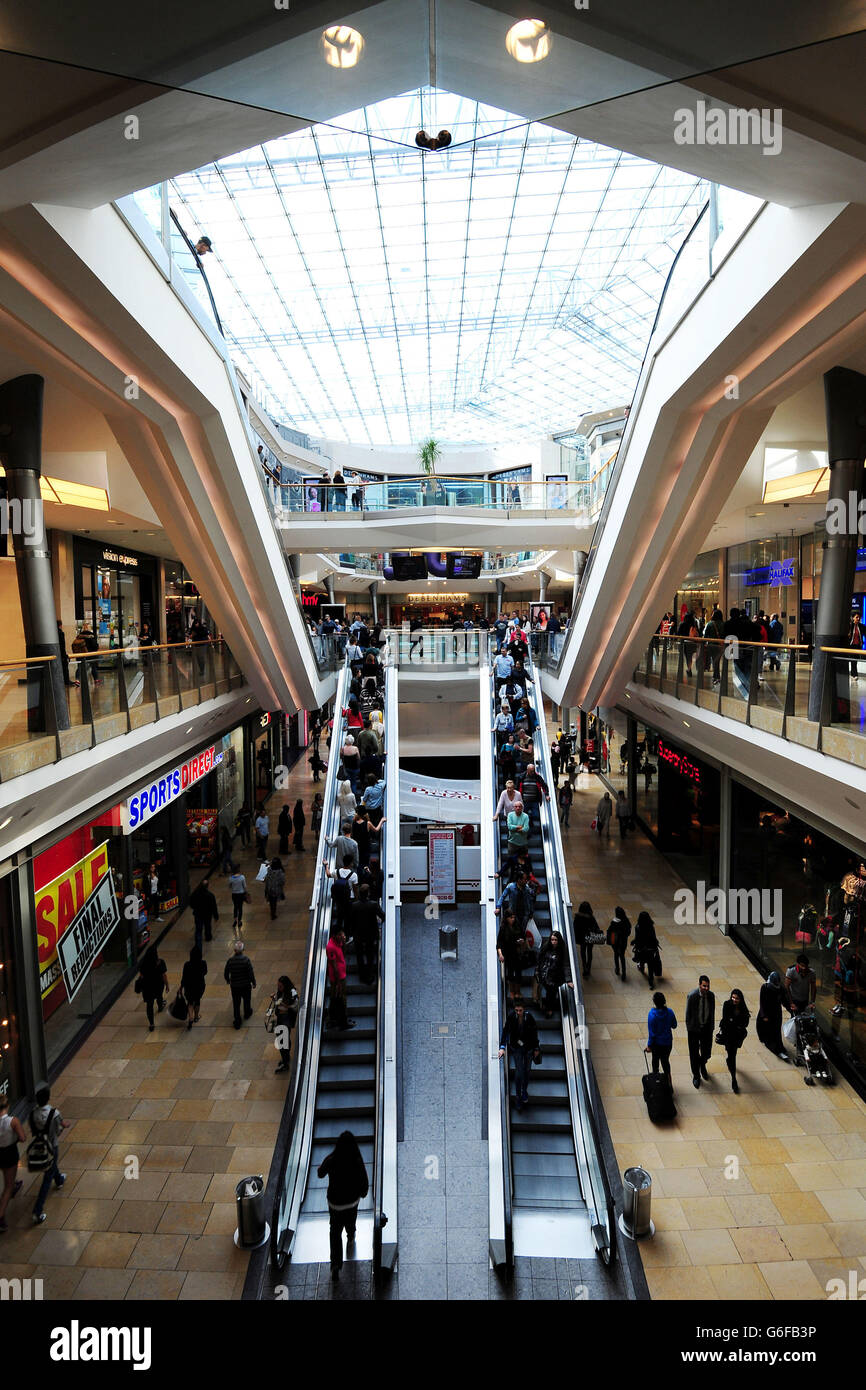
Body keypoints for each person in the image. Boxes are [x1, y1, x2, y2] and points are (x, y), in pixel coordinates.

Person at [317, 1130, 369, 1280]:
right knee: (351, 1220)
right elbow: (364, 1181)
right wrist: (363, 1193)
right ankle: (351, 1236)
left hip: (335, 1203)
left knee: (334, 1231)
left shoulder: (332, 1159)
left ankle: (335, 1265)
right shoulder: (357, 1160)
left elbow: (320, 1173)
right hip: (352, 1202)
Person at [28, 1085, 72, 1226]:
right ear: (47, 1099)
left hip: (39, 1145)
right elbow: (62, 1124)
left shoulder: (32, 1113)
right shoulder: (54, 1113)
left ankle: (59, 1179)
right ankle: (37, 1211)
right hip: (52, 1145)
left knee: (52, 1166)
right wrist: (66, 1125)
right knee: (47, 1177)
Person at [498, 1000, 540, 1113]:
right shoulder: (512, 1017)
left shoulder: (529, 1017)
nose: (518, 1012)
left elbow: (534, 1032)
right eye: (516, 1010)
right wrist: (502, 1047)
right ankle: (518, 1096)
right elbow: (506, 1031)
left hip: (528, 1048)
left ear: (524, 1009)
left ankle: (524, 1091)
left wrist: (536, 1048)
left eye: (520, 1010)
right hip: (517, 1047)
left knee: (526, 1071)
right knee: (519, 1072)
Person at [348, 884, 385, 985]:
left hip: (358, 934)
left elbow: (351, 920)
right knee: (369, 955)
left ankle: (362, 976)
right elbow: (383, 916)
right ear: (368, 893)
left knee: (359, 956)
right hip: (370, 934)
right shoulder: (373, 904)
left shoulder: (354, 905)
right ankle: (369, 976)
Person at [0, 1093, 25, 1233]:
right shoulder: (13, 1121)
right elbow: (22, 1138)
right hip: (9, 1153)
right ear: (7, 1105)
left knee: (7, 1175)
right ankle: (1, 1216)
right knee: (7, 1187)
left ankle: (14, 1184)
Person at [685, 974, 715, 1088]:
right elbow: (688, 1015)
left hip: (706, 1029)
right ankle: (696, 1075)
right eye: (704, 986)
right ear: (699, 985)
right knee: (693, 1054)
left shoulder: (711, 996)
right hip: (694, 1030)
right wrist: (690, 1029)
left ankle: (702, 1066)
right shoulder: (692, 996)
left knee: (706, 1052)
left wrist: (711, 1027)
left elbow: (712, 1012)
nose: (706, 988)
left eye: (708, 986)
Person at [718, 988, 750, 1093]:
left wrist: (733, 1022)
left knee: (732, 1055)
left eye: (736, 998)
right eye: (733, 997)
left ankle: (731, 1070)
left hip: (736, 1037)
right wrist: (735, 1023)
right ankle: (733, 1079)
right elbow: (726, 1019)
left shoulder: (743, 1009)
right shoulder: (727, 1004)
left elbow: (745, 1023)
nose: (734, 1000)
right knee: (732, 1055)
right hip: (728, 1036)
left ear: (740, 999)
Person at [535, 929, 572, 1018]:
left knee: (552, 994)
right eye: (552, 939)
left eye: (555, 940)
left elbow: (565, 964)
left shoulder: (562, 950)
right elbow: (540, 959)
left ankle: (549, 1009)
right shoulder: (546, 947)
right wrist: (538, 971)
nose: (553, 942)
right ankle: (544, 1005)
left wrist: (568, 980)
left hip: (555, 977)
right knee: (547, 992)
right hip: (544, 975)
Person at [645, 992, 677, 1085]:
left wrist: (649, 1046)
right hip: (667, 1044)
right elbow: (674, 1025)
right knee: (665, 1061)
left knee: (655, 1063)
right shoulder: (670, 1012)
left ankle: (656, 1084)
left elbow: (652, 1034)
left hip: (656, 1045)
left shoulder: (652, 1015)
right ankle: (669, 1083)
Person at [756, 971, 789, 1061]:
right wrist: (764, 1015)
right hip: (767, 1012)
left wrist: (790, 1007)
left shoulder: (780, 988)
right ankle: (774, 1048)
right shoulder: (765, 987)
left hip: (776, 1012)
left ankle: (779, 1047)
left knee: (776, 1030)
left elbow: (784, 999)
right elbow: (762, 1002)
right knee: (768, 1030)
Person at [224, 940, 257, 1030]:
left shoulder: (230, 961)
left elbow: (226, 972)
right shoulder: (246, 960)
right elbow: (250, 973)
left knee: (236, 1003)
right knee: (247, 1000)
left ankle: (237, 1021)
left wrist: (227, 980)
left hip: (235, 986)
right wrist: (253, 982)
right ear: (243, 950)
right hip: (246, 985)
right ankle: (247, 1013)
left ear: (234, 950)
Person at [326, 930, 354, 1031]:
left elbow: (343, 955)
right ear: (334, 936)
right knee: (340, 999)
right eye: (340, 935)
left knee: (337, 998)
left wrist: (343, 943)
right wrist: (338, 983)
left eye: (343, 934)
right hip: (337, 978)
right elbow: (334, 966)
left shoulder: (339, 942)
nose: (343, 936)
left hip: (341, 975)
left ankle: (335, 1019)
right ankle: (341, 1021)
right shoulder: (331, 947)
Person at [136, 944, 168, 1032]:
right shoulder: (160, 962)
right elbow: (164, 975)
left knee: (149, 1005)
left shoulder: (143, 964)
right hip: (158, 985)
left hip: (147, 987)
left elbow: (141, 976)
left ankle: (151, 1024)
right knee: (159, 997)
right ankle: (160, 1006)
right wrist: (167, 985)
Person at [272, 975, 299, 1074]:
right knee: (282, 1039)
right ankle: (285, 1058)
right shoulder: (280, 992)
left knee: (282, 1040)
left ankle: (285, 1062)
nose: (278, 988)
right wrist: (275, 1000)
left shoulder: (292, 993)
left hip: (286, 1019)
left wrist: (285, 1005)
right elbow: (278, 1003)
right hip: (281, 1017)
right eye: (278, 986)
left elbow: (295, 1007)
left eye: (280, 986)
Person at [325, 853, 358, 932]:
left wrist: (326, 865)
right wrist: (357, 899)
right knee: (348, 917)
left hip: (339, 898)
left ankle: (338, 933)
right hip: (349, 899)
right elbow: (355, 889)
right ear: (350, 863)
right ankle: (347, 934)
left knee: (340, 916)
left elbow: (328, 874)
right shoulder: (354, 875)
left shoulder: (337, 872)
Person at [181, 945, 208, 1029]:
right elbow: (205, 972)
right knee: (197, 1001)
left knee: (190, 1002)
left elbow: (184, 977)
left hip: (189, 986)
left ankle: (190, 1018)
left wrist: (181, 987)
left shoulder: (187, 965)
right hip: (199, 986)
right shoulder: (203, 963)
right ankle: (196, 1017)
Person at [189, 876, 218, 947]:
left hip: (198, 914)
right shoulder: (210, 895)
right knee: (208, 926)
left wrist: (194, 908)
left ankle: (198, 942)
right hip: (207, 914)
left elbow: (191, 903)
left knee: (198, 928)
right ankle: (208, 937)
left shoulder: (195, 894)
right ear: (207, 886)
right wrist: (215, 915)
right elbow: (214, 906)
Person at [573, 900, 600, 978]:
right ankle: (588, 967)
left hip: (582, 937)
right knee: (589, 952)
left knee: (583, 952)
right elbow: (596, 927)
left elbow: (575, 927)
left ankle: (584, 967)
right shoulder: (591, 917)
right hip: (590, 937)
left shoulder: (578, 917)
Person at [633, 910, 660, 987]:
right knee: (650, 965)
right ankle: (651, 981)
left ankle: (641, 968)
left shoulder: (638, 927)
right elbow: (654, 937)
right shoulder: (651, 927)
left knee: (641, 960)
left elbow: (637, 938)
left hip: (642, 948)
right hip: (650, 949)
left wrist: (635, 943)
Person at [607, 906, 631, 981]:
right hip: (623, 941)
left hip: (615, 940)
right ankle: (624, 973)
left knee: (616, 954)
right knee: (622, 956)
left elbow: (610, 930)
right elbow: (628, 931)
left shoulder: (614, 921)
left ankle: (617, 969)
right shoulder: (626, 921)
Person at [228, 864, 248, 929]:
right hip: (241, 894)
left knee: (235, 907)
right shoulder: (242, 877)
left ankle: (235, 920)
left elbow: (230, 886)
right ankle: (239, 921)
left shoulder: (231, 878)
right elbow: (245, 886)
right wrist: (246, 893)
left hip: (234, 894)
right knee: (240, 908)